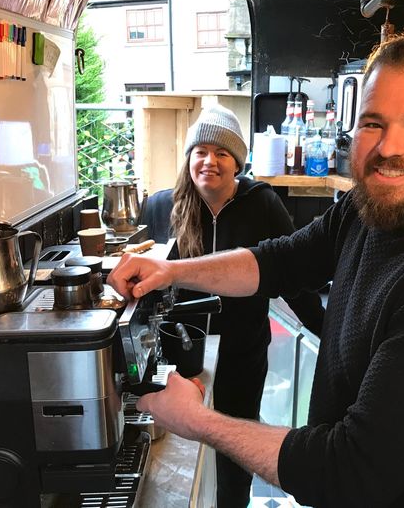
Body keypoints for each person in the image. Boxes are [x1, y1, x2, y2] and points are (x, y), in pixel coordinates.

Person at [108, 29, 404, 506]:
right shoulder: (369, 206)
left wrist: (197, 420)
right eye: (374, 123)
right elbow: (278, 261)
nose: (389, 148)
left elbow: (349, 470)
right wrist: (170, 271)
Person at [137, 104, 325, 508]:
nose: (209, 161)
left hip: (243, 351)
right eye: (200, 151)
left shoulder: (263, 204)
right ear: (188, 157)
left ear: (237, 162)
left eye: (221, 153)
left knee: (234, 447)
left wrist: (326, 330)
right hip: (180, 353)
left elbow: (291, 277)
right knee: (178, 448)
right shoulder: (160, 207)